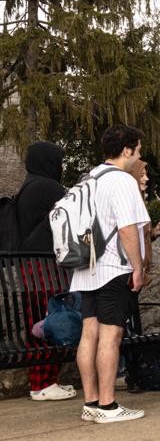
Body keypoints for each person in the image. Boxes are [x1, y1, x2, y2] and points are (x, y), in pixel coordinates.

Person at [72, 125, 149, 423]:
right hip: (113, 268)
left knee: (88, 333)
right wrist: (138, 267)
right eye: (138, 149)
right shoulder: (122, 181)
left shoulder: (88, 178)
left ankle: (91, 401)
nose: (138, 155)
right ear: (127, 150)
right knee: (112, 333)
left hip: (86, 268)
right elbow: (128, 228)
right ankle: (107, 405)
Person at [14, 142, 76, 401]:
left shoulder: (28, 186)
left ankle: (41, 382)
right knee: (49, 320)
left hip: (29, 267)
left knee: (37, 320)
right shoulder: (48, 187)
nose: (61, 167)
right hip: (46, 268)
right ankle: (44, 383)